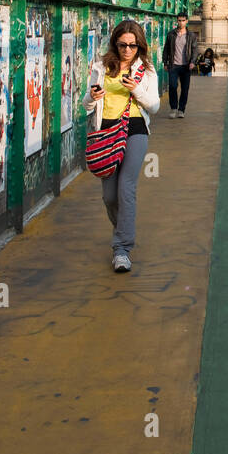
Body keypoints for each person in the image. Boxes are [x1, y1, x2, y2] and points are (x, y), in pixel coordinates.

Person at [84, 20, 160, 272]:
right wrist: (91, 97)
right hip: (106, 131)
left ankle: (122, 249)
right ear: (115, 43)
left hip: (135, 129)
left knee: (126, 188)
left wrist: (136, 89)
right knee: (109, 195)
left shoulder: (146, 71)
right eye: (123, 45)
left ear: (139, 46)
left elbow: (155, 106)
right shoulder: (99, 67)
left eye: (132, 45)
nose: (127, 50)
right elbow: (86, 104)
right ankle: (122, 230)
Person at [162, 13, 198, 118]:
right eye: (179, 20)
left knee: (185, 88)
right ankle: (173, 108)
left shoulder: (191, 35)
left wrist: (192, 62)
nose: (181, 22)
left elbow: (195, 50)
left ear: (186, 21)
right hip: (173, 65)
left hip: (186, 66)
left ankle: (181, 109)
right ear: (177, 21)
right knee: (173, 87)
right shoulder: (171, 34)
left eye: (183, 20)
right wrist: (165, 62)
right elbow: (166, 49)